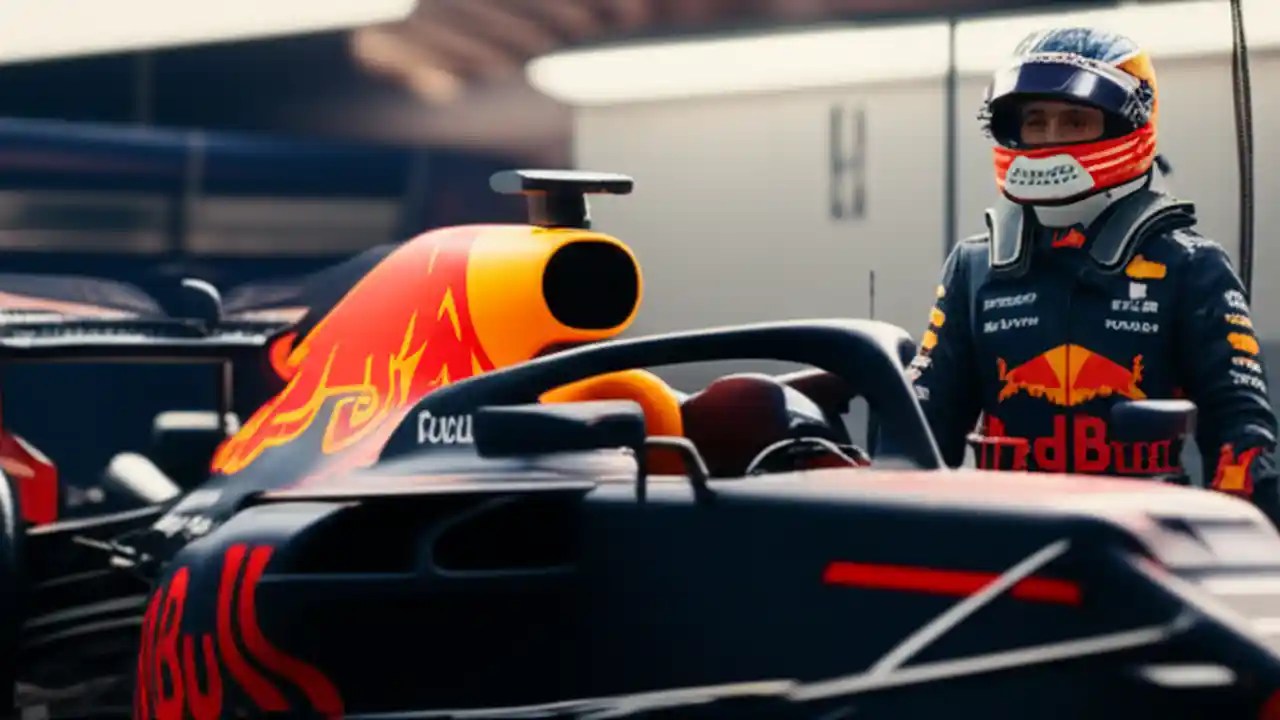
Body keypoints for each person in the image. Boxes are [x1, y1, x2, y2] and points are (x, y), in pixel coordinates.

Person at [908, 26, 1280, 523]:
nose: (1050, 139)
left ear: (1127, 126)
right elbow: (917, 438)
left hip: (1143, 549)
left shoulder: (1191, 267)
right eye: (1035, 121)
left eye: (1075, 121)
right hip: (1006, 545)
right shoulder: (973, 267)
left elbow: (1243, 438)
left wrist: (1238, 558)